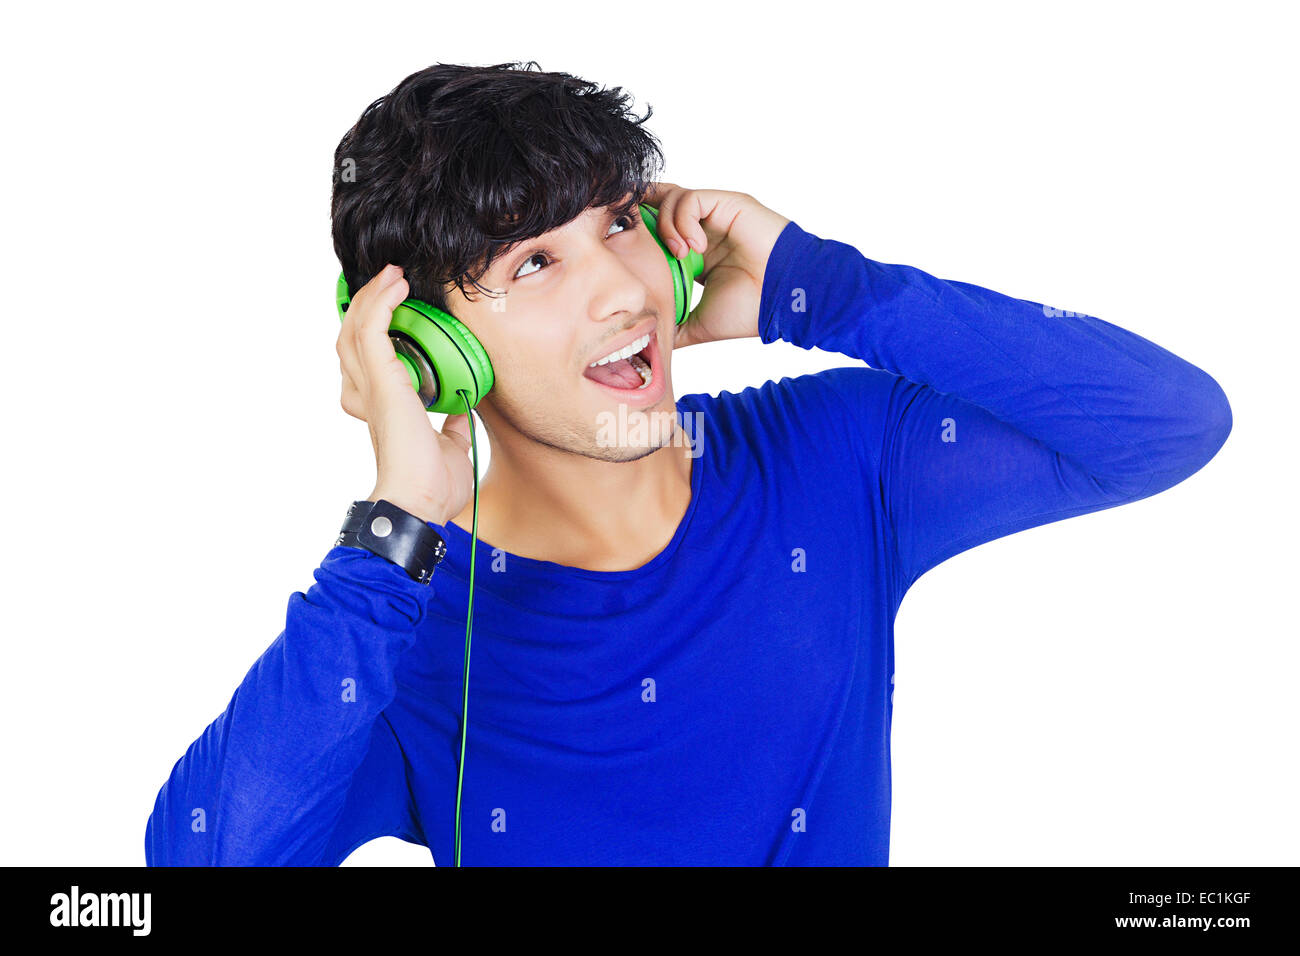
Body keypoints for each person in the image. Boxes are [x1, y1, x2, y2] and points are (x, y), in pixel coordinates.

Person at [144, 61, 1232, 866]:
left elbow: (1166, 420)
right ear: (431, 351)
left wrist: (826, 287)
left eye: (619, 222)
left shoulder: (833, 459)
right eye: (535, 261)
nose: (621, 290)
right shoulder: (406, 623)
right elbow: (198, 861)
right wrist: (391, 527)